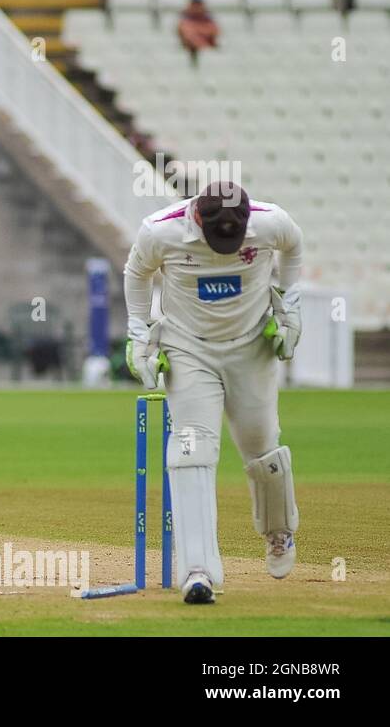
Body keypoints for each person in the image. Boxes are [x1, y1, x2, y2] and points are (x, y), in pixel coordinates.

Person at [124, 182, 302, 605]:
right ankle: (198, 570)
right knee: (191, 448)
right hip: (189, 348)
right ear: (196, 218)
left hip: (251, 346)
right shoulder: (160, 231)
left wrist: (290, 309)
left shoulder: (270, 221)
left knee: (261, 446)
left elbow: (294, 248)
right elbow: (136, 274)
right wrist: (138, 335)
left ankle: (279, 531)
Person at [177, 0, 220, 66]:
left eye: (199, 3)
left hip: (209, 57)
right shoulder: (184, 21)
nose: (197, 6)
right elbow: (188, 37)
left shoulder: (208, 20)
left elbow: (215, 33)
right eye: (194, 3)